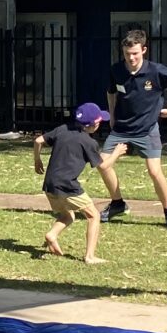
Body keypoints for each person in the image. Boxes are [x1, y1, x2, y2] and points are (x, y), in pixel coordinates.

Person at [98, 28, 167, 230]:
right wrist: (112, 115)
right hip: (121, 128)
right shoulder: (116, 70)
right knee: (103, 164)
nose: (131, 58)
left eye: (135, 53)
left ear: (144, 50)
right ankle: (117, 203)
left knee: (155, 172)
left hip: (147, 129)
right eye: (127, 54)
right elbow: (111, 92)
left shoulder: (155, 71)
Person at [34, 103, 110, 263]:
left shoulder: (63, 129)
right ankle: (90, 256)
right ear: (95, 124)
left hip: (50, 185)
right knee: (94, 216)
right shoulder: (89, 143)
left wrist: (37, 160)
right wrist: (117, 152)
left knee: (68, 215)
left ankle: (52, 235)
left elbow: (38, 140)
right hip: (68, 186)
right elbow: (104, 166)